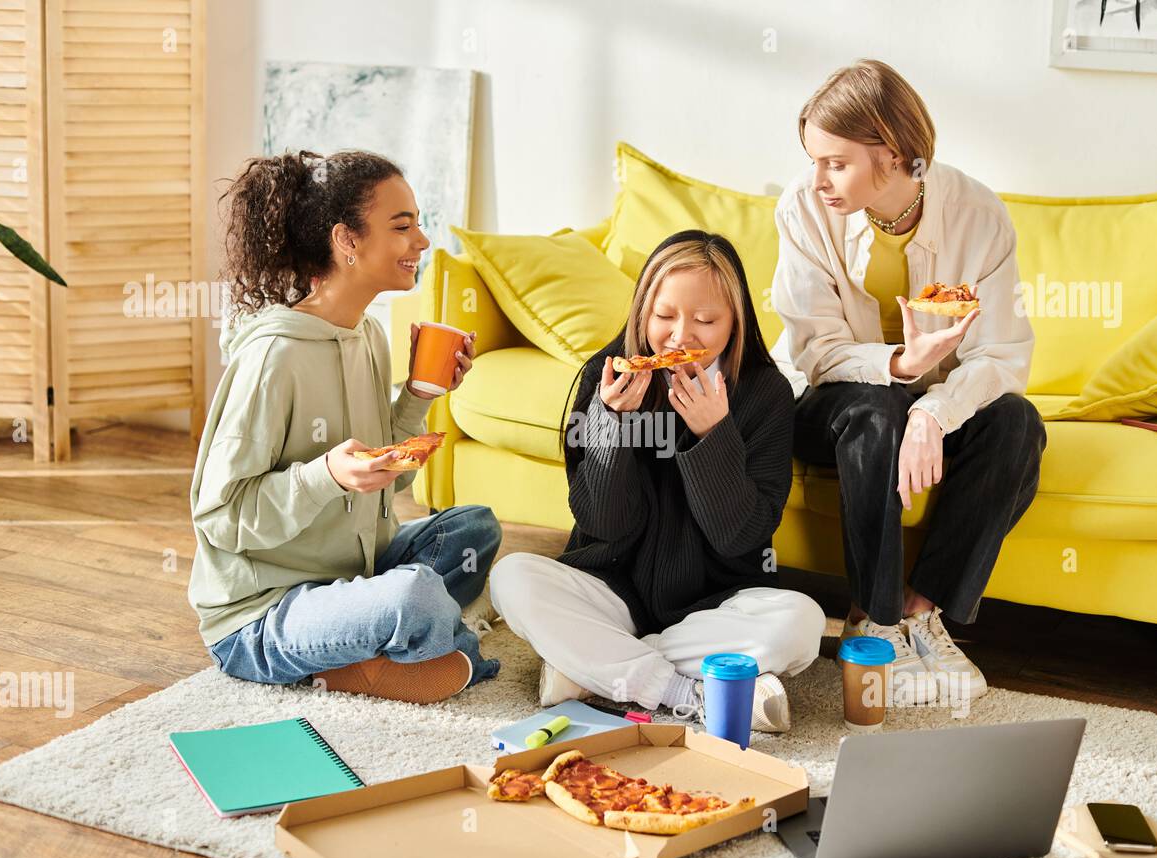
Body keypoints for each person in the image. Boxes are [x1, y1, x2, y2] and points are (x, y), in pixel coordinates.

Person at [771, 60, 1047, 705]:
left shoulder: (978, 215)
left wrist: (931, 413)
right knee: (876, 408)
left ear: (892, 155)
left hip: (926, 408)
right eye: (813, 161)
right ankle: (876, 620)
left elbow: (1001, 355)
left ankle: (923, 611)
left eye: (835, 163)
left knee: (1017, 424)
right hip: (832, 401)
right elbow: (817, 350)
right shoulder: (802, 210)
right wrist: (901, 369)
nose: (818, 181)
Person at [188, 149, 500, 704]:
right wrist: (324, 476)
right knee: (416, 595)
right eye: (402, 227)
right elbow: (221, 516)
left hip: (348, 574)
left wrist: (420, 394)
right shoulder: (273, 359)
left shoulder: (368, 336)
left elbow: (386, 481)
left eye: (418, 225)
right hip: (264, 614)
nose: (421, 243)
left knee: (474, 528)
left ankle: (374, 648)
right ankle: (435, 653)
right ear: (347, 240)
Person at [491, 230, 825, 733]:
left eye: (706, 320)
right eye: (664, 316)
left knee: (803, 622)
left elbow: (740, 536)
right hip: (612, 589)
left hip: (718, 602)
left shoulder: (766, 393)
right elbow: (601, 522)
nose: (679, 336)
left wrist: (713, 436)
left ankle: (593, 669)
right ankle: (682, 691)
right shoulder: (604, 379)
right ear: (641, 311)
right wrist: (613, 423)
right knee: (510, 576)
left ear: (736, 324)